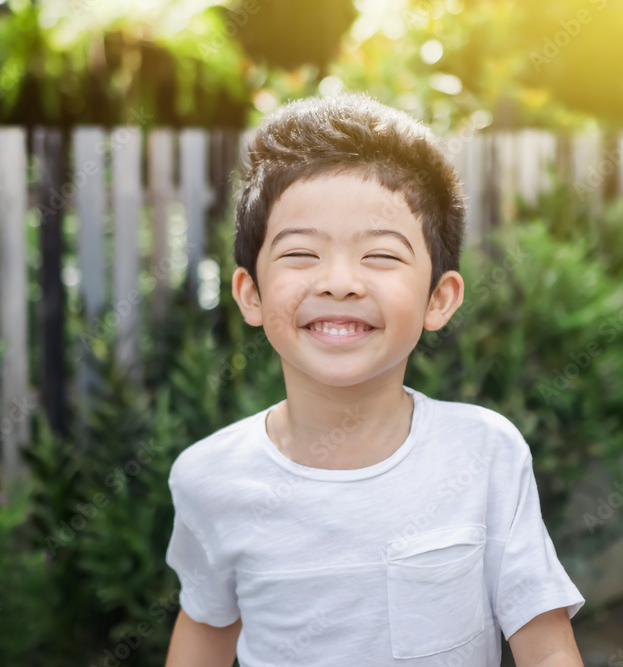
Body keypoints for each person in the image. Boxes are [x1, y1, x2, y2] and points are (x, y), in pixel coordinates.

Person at [164, 92, 585, 666]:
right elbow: (207, 627)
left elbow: (545, 642)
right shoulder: (208, 478)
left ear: (439, 298)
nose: (340, 282)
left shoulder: (484, 453)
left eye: (381, 256)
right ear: (251, 294)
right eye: (301, 253)